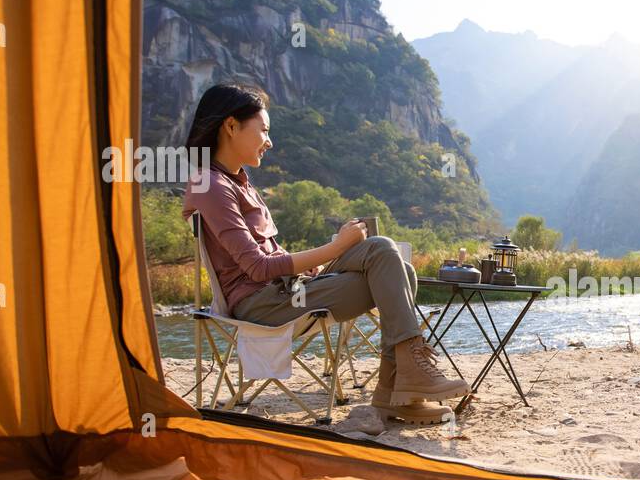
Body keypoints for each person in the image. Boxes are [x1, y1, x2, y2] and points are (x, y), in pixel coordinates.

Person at [180, 84, 464, 427]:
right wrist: (337, 247)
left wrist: (316, 264)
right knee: (395, 269)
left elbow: (270, 253)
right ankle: (399, 392)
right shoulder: (209, 184)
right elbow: (256, 268)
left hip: (287, 290)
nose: (269, 142)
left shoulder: (239, 183)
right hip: (262, 305)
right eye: (264, 131)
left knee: (394, 260)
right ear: (230, 126)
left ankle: (404, 388)